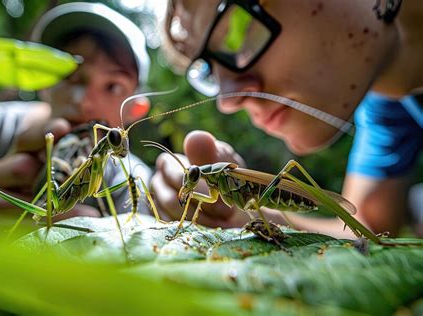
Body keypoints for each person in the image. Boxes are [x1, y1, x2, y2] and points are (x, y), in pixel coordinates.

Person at [151, 0, 423, 238]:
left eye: (239, 29)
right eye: (209, 71)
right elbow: (368, 227)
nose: (227, 100)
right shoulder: (387, 111)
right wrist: (243, 220)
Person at [0, 2, 152, 232]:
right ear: (44, 82)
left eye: (113, 86)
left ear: (136, 109)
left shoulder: (131, 180)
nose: (83, 101)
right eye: (69, 76)